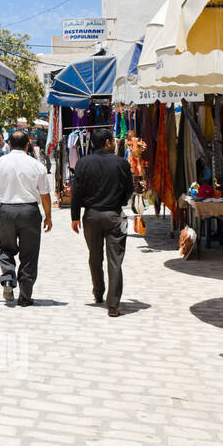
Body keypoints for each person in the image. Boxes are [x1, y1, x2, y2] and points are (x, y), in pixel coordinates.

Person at [0, 130, 53, 306]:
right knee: (29, 254)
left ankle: (7, 279)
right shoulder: (37, 166)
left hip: (6, 211)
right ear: (28, 145)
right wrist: (48, 216)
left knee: (6, 247)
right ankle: (25, 296)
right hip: (30, 211)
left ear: (10, 144)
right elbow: (45, 195)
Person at [70, 127, 135, 317]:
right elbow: (129, 190)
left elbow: (76, 192)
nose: (115, 143)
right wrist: (119, 201)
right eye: (113, 140)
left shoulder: (83, 163)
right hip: (114, 215)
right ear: (107, 143)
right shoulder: (121, 163)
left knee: (94, 256)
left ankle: (98, 293)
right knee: (115, 260)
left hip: (90, 216)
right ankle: (113, 304)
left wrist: (75, 216)